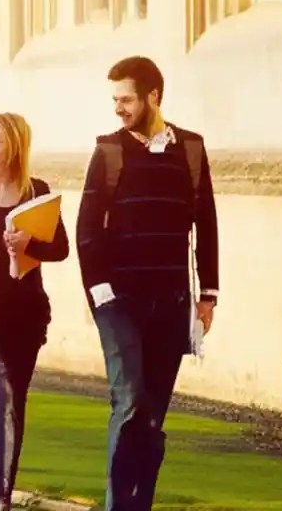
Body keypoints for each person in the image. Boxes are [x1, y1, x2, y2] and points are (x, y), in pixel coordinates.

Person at [76, 56, 219, 511]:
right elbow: (86, 230)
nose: (118, 108)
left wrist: (208, 296)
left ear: (153, 96)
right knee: (130, 402)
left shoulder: (191, 150)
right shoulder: (109, 152)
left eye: (127, 99)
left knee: (153, 418)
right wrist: (100, 292)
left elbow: (206, 223)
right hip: (118, 303)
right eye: (115, 100)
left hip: (172, 302)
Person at [0, 113, 69, 511]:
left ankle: (2, 494)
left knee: (12, 400)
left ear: (15, 147)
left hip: (25, 315)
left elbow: (60, 249)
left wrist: (28, 245)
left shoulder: (37, 192)